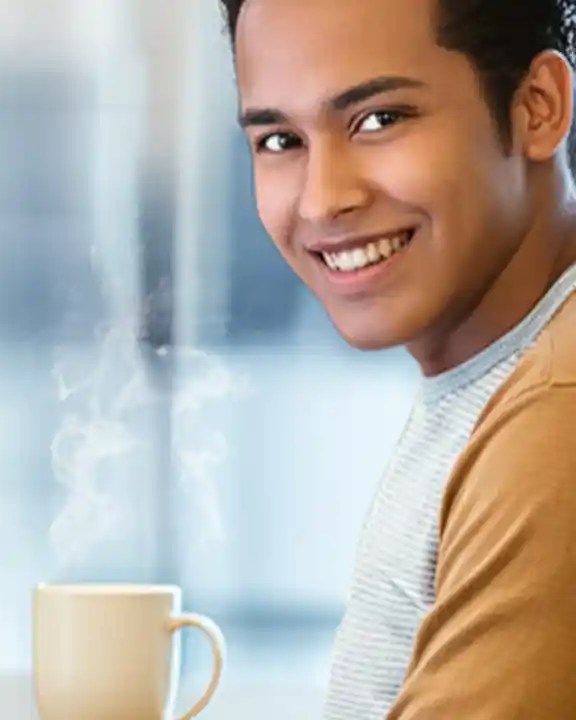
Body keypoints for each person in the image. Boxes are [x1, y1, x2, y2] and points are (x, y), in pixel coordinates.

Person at [218, 0, 576, 717]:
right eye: (281, 141)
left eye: (378, 120)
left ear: (538, 107)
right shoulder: (497, 376)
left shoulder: (556, 415)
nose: (322, 201)